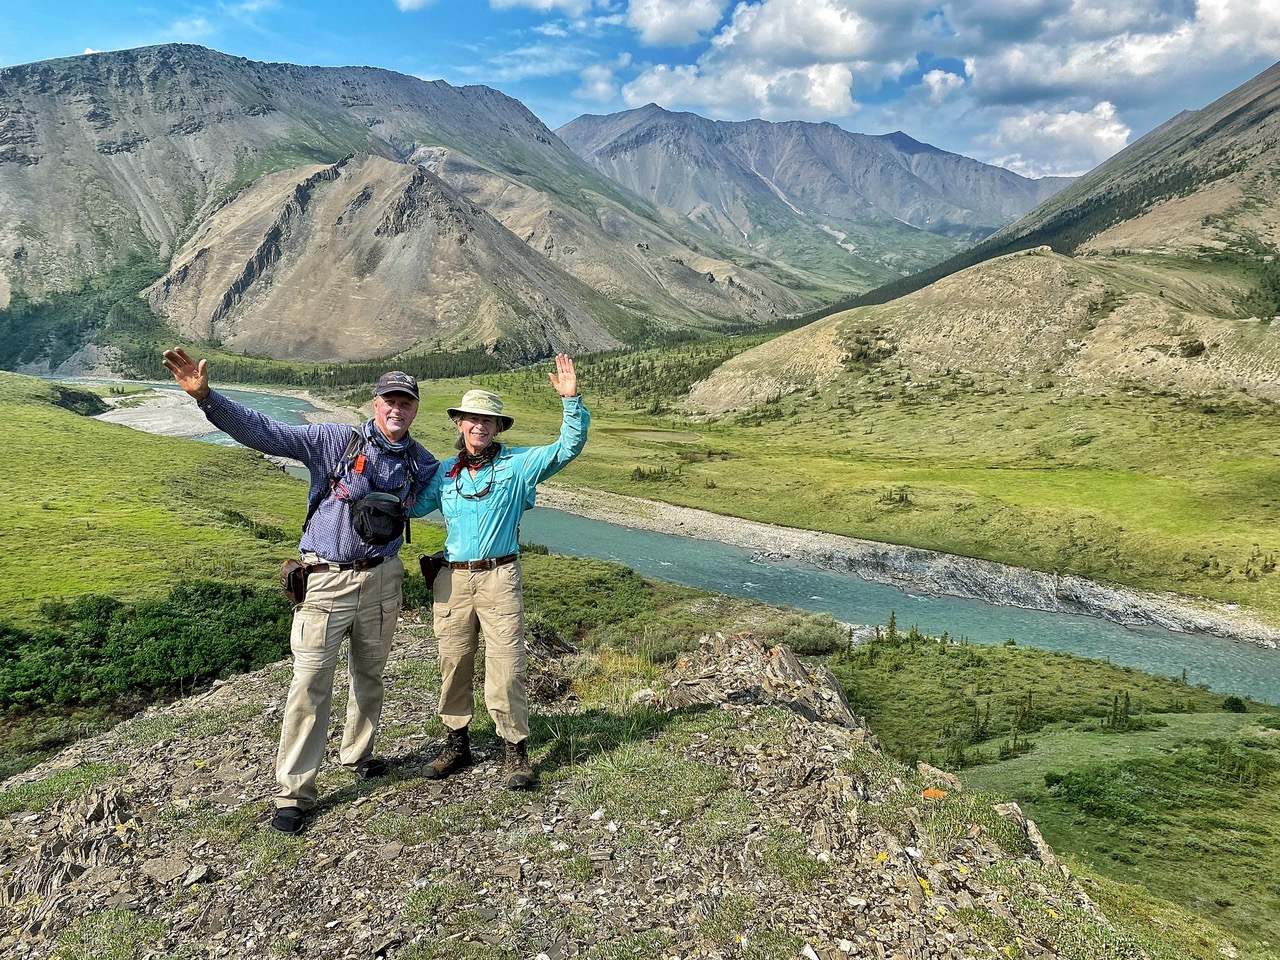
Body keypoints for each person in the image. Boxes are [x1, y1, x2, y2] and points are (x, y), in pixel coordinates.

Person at [161, 347, 438, 834]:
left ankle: (358, 755)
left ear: (416, 409)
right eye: (389, 400)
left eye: (406, 402)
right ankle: (293, 792)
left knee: (370, 675)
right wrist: (207, 398)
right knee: (310, 684)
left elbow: (465, 485)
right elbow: (267, 432)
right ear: (374, 403)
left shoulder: (421, 461)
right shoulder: (334, 439)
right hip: (326, 577)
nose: (397, 409)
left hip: (383, 576)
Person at [409, 353, 588, 790]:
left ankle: (515, 750)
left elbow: (568, 447)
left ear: (498, 427)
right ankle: (457, 743)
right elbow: (411, 506)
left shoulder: (519, 465)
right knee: (453, 661)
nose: (479, 426)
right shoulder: (443, 474)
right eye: (472, 419)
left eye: (488, 420)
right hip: (452, 578)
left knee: (506, 665)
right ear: (459, 424)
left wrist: (571, 401)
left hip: (499, 577)